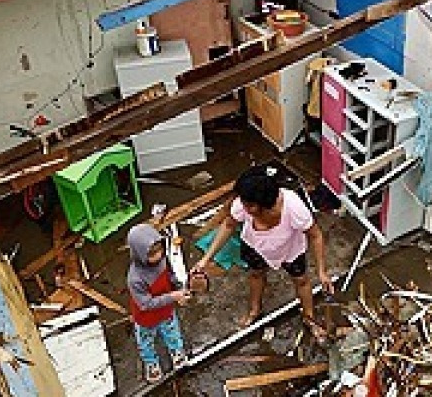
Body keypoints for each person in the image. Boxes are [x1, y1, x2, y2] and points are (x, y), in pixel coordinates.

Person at [194, 164, 334, 340]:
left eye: (248, 205)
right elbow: (229, 225)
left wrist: (322, 272)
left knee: (301, 281)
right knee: (256, 274)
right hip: (254, 246)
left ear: (262, 204)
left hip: (290, 250)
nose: (242, 207)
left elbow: (316, 236)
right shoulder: (243, 204)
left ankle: (309, 317)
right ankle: (254, 310)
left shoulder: (294, 208)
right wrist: (205, 260)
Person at [127, 223, 190, 383]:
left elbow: (170, 275)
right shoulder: (135, 278)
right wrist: (173, 297)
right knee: (146, 341)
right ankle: (151, 363)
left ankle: (176, 351)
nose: (158, 255)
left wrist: (178, 287)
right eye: (151, 253)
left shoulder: (163, 259)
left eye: (160, 249)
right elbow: (145, 304)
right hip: (146, 316)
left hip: (166, 310)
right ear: (139, 253)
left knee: (172, 331)